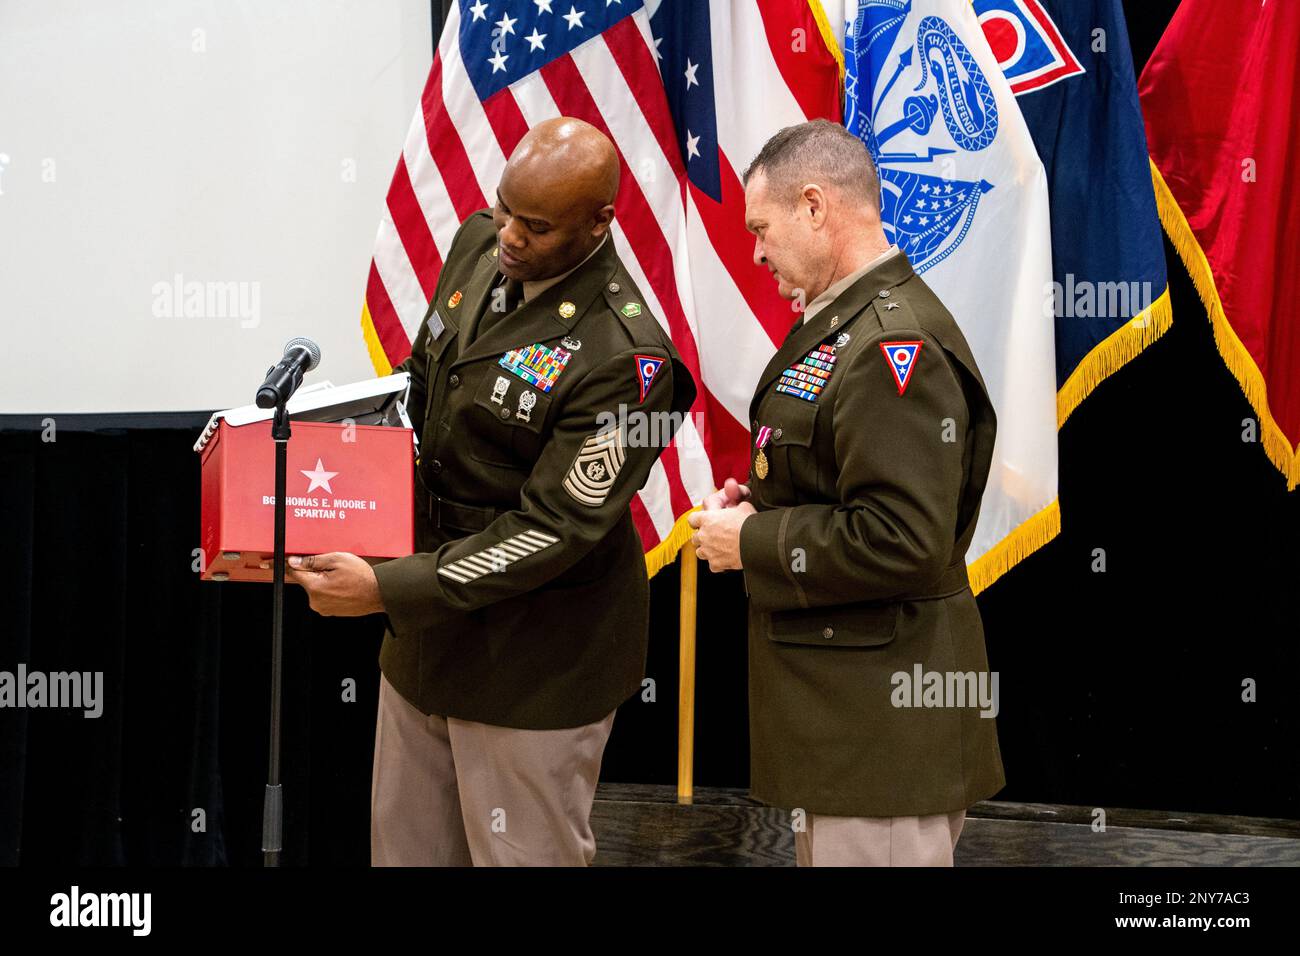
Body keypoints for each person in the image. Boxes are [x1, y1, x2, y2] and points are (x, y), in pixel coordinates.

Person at [287, 117, 696, 866]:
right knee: (406, 853)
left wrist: (387, 586)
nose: (508, 235)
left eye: (535, 226)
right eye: (505, 207)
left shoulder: (629, 361)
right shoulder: (478, 243)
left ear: (601, 223)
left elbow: (552, 530)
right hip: (427, 638)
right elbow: (424, 396)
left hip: (534, 660)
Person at [687, 119, 1004, 867]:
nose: (756, 250)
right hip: (846, 723)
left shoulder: (896, 347)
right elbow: (839, 484)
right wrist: (763, 508)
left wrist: (752, 543)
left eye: (762, 227)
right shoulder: (846, 325)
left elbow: (903, 539)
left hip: (883, 732)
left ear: (815, 206)